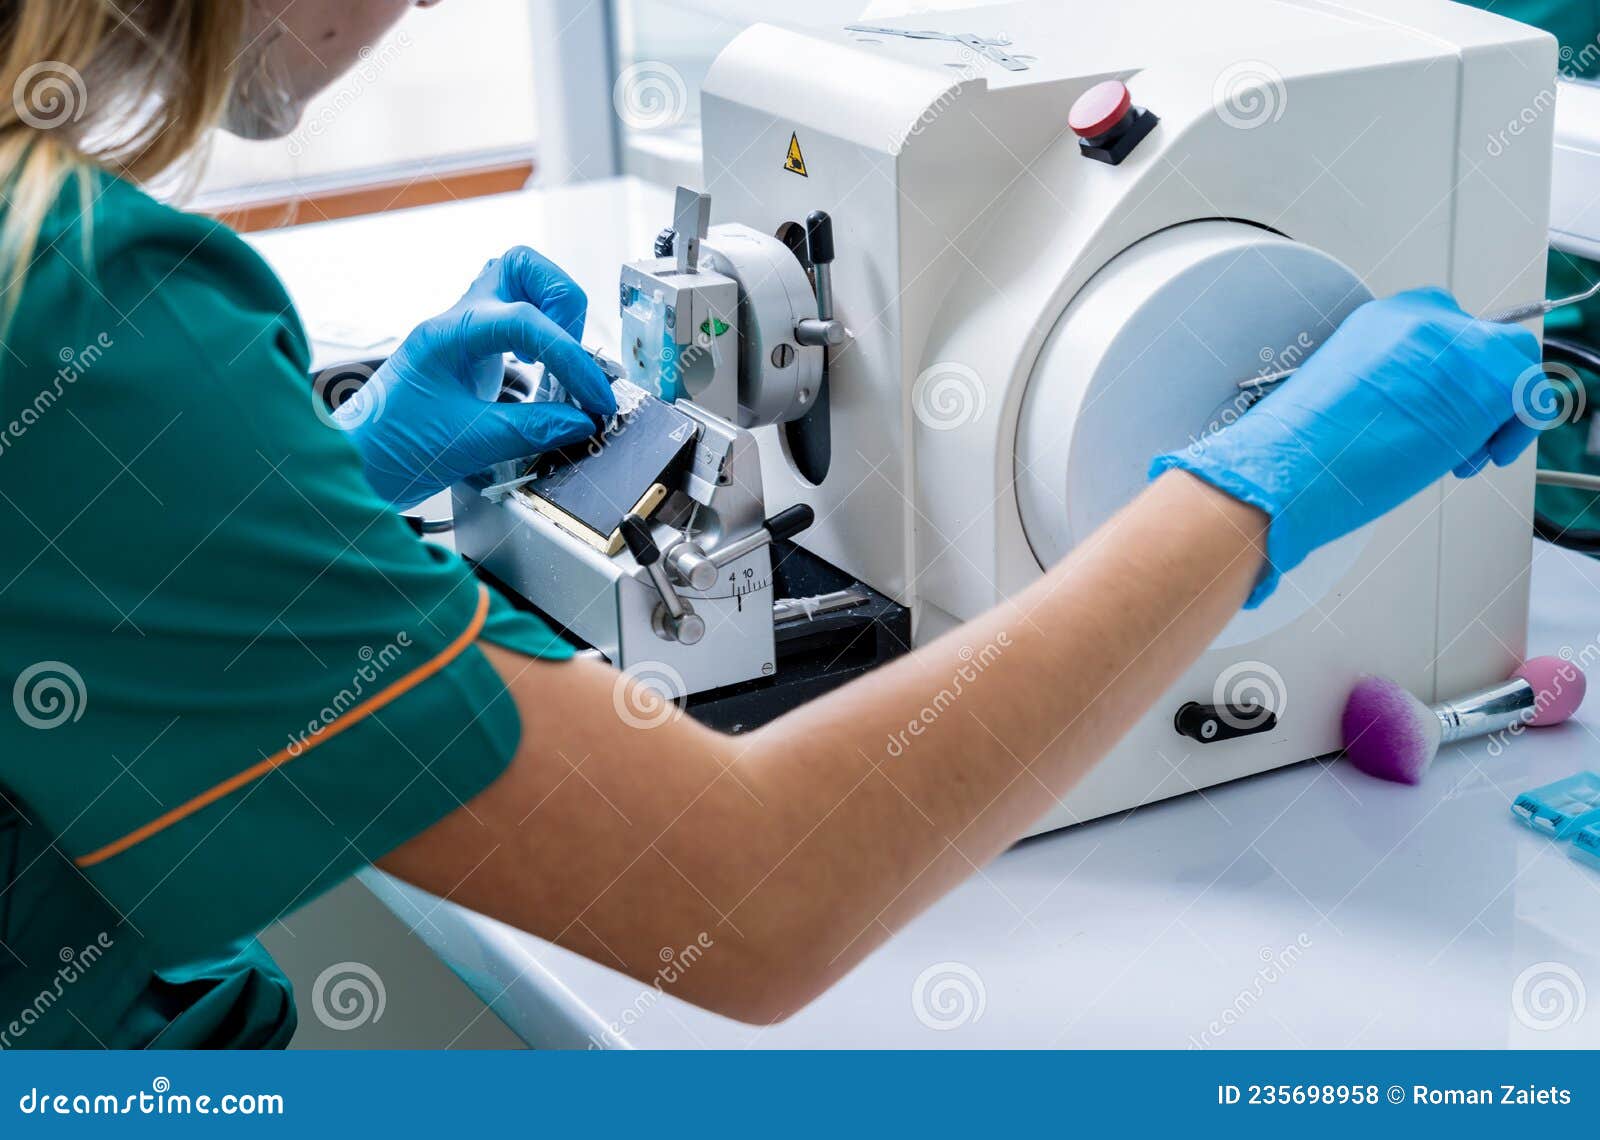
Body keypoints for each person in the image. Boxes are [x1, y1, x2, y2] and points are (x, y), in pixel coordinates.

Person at [0, 0, 1544, 1048]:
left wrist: (312, 470)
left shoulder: (62, 283)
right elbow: (748, 900)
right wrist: (1250, 489)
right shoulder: (95, 310)